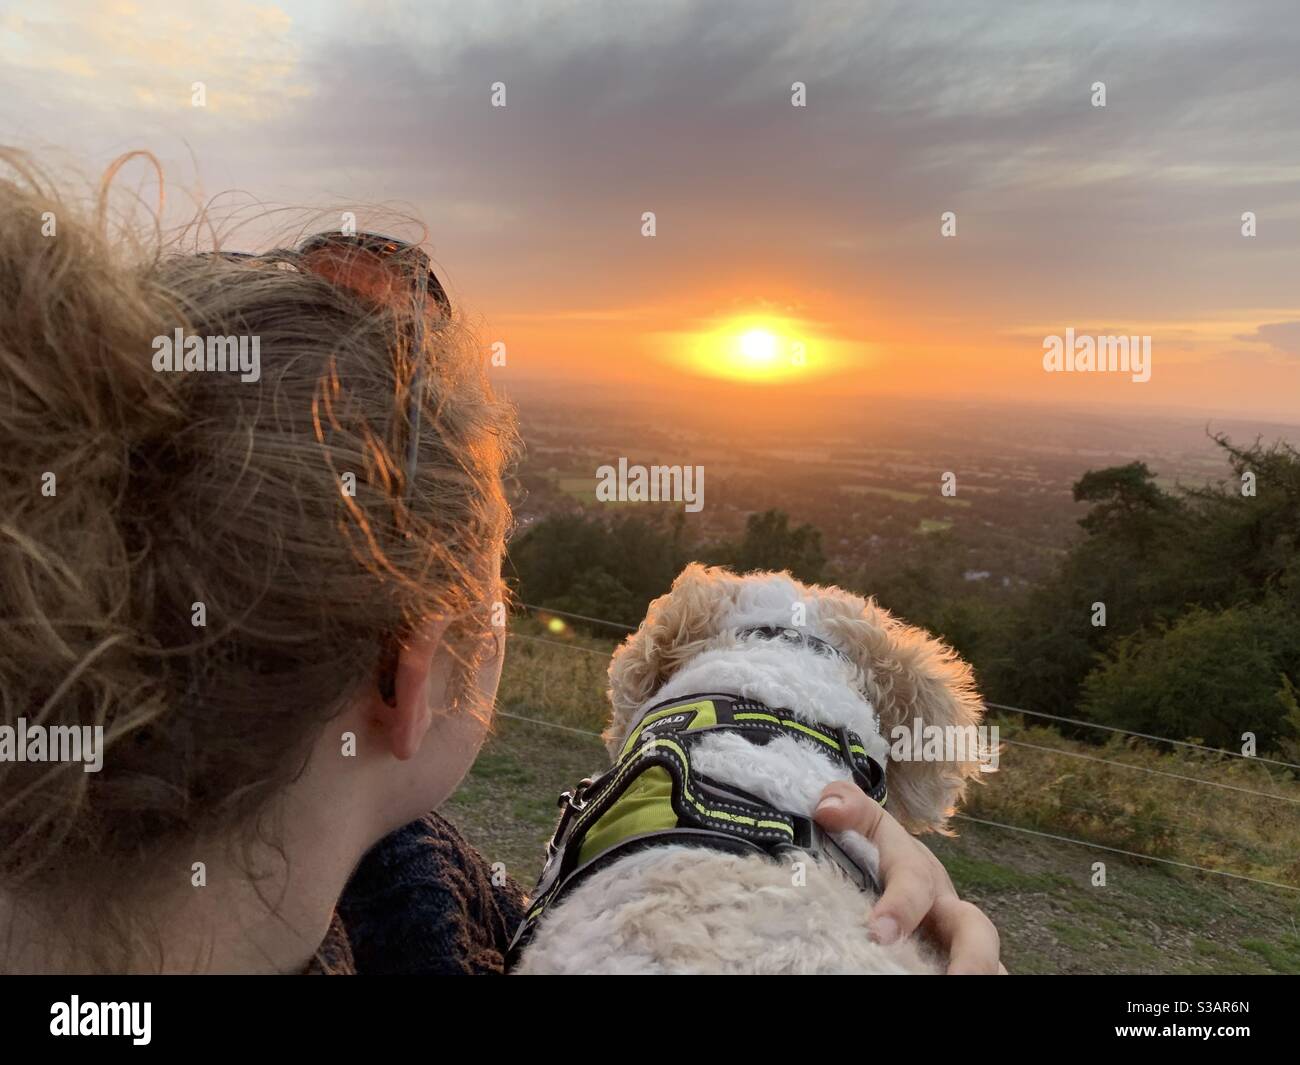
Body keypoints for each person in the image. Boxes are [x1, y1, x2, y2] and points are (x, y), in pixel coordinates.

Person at [0, 152, 1001, 974]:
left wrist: (788, 844)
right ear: (415, 669)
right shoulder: (407, 919)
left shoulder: (379, 868)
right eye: (497, 585)